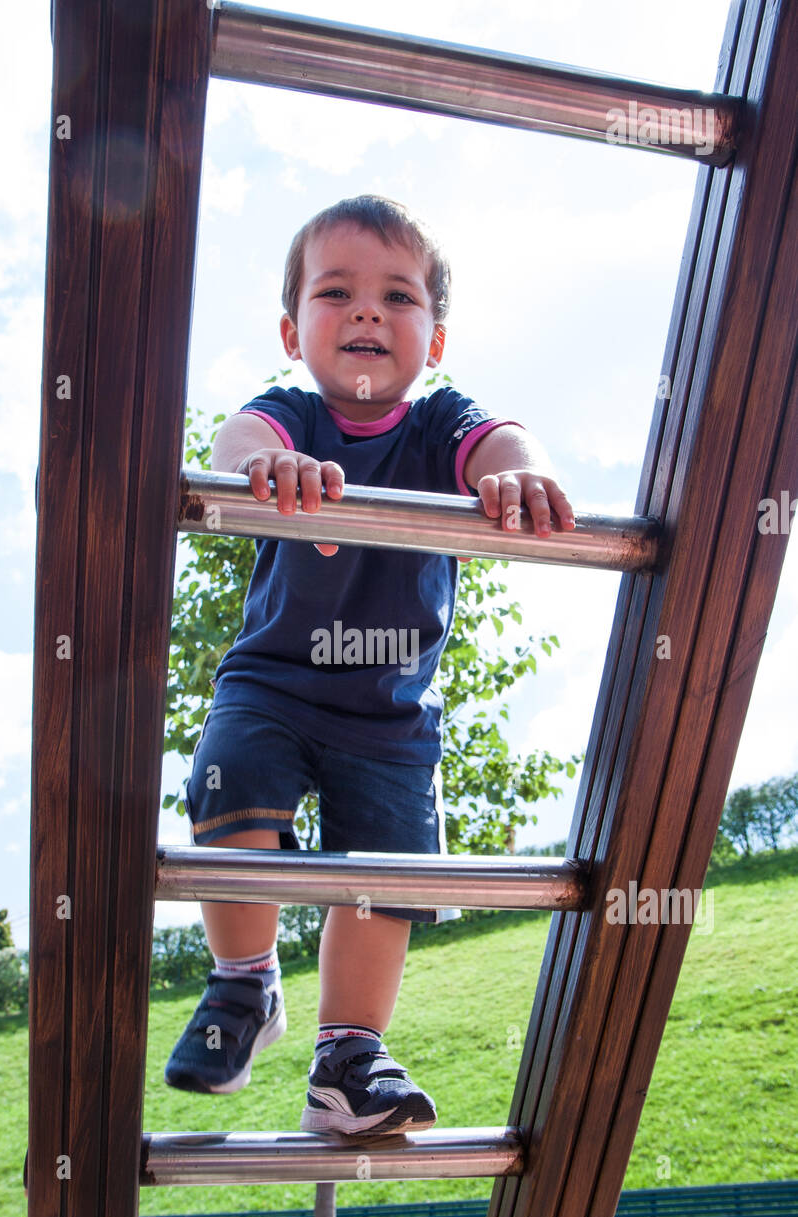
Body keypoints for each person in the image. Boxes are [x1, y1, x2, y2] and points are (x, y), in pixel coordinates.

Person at [165, 194, 574, 1136]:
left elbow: (502, 440)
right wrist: (263, 469)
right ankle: (244, 983)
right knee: (230, 795)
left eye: (398, 296)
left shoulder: (439, 427)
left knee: (381, 876)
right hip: (271, 683)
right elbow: (236, 440)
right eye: (336, 291)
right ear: (291, 326)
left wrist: (517, 474)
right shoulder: (291, 415)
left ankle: (347, 1057)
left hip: (392, 712)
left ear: (434, 340)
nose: (365, 312)